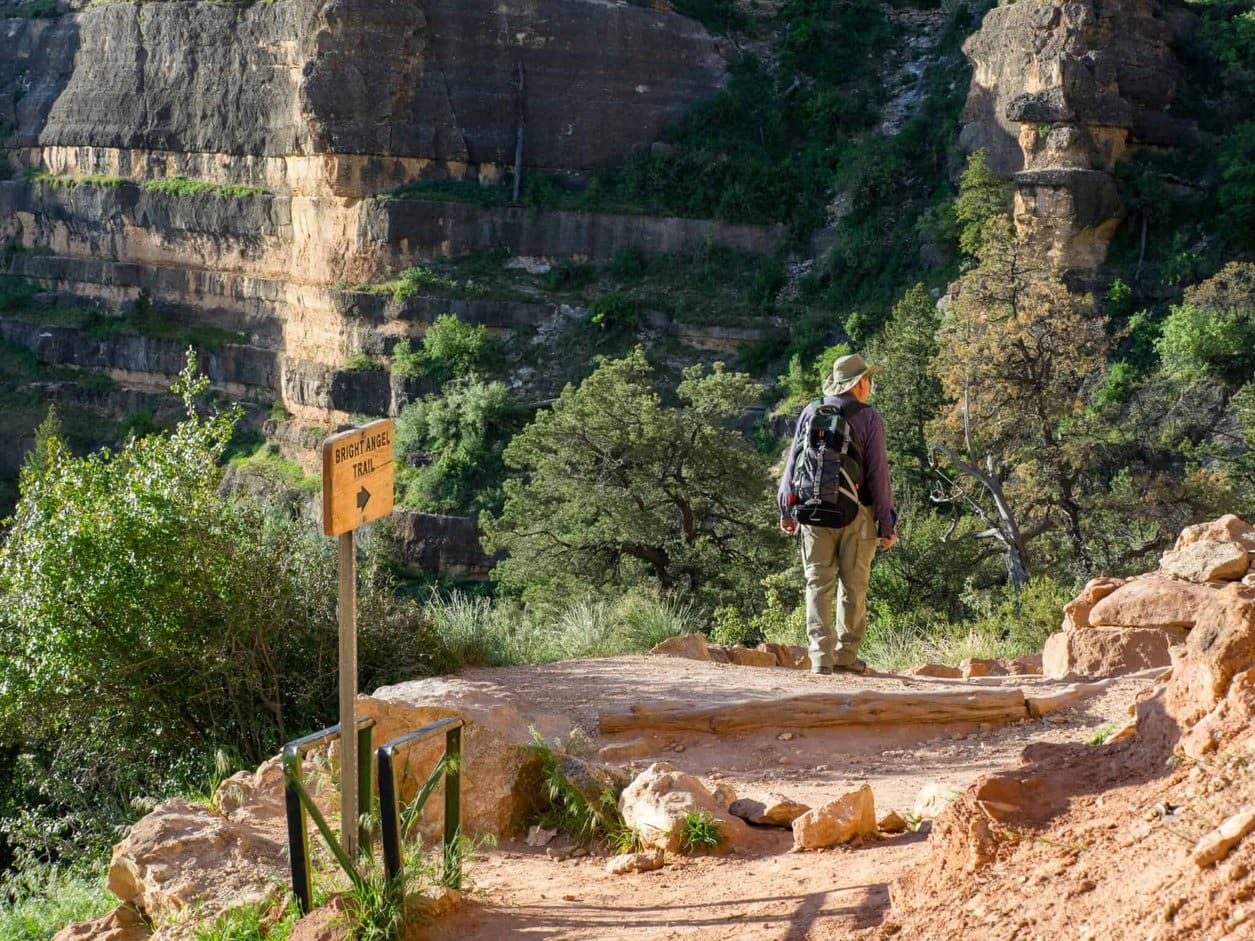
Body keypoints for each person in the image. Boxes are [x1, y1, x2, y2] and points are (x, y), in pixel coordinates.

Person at [777, 353, 897, 675]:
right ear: (860, 384)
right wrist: (886, 525)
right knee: (853, 587)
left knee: (818, 584)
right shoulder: (868, 418)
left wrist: (787, 510)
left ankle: (820, 658)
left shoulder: (811, 410)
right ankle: (846, 656)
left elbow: (793, 463)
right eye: (869, 380)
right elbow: (878, 476)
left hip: (812, 512)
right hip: (857, 516)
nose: (870, 385)